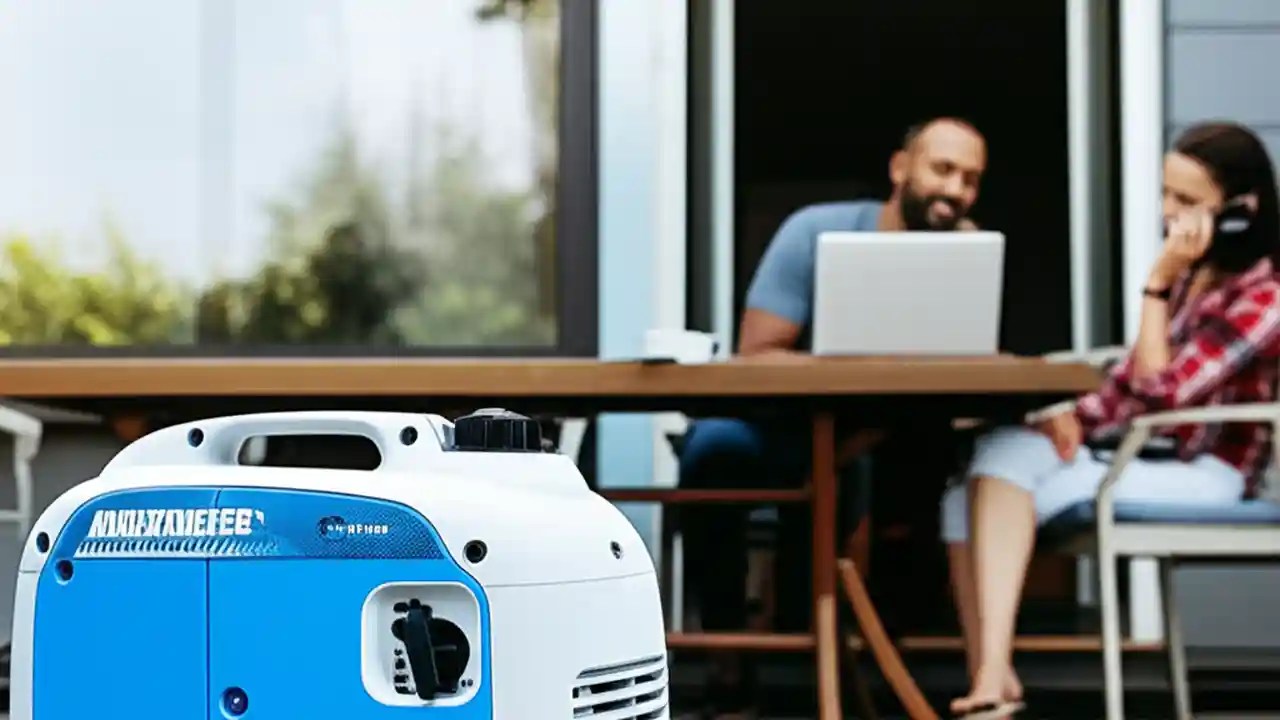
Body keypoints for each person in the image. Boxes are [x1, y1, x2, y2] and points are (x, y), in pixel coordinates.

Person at [943, 120, 1280, 719]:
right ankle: (993, 675)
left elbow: (1164, 391)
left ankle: (993, 676)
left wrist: (1156, 284)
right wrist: (1071, 416)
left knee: (1002, 478)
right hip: (1142, 453)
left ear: (1240, 212)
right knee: (984, 471)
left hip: (1206, 470)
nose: (1167, 214)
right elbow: (1128, 385)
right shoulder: (1196, 278)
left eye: (1186, 201)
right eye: (1165, 195)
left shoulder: (1265, 298)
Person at [677, 116, 989, 718]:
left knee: (934, 464)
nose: (956, 190)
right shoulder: (815, 231)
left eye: (971, 179)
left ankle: (881, 665)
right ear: (901, 169)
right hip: (784, 429)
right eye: (943, 169)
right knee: (712, 449)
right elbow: (758, 353)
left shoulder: (967, 257)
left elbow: (970, 372)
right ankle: (725, 662)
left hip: (893, 438)